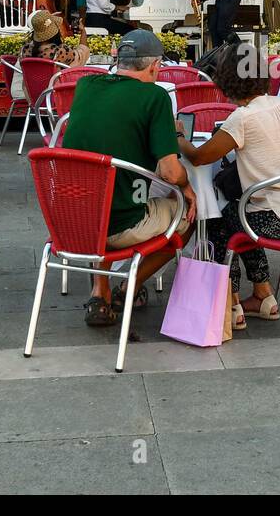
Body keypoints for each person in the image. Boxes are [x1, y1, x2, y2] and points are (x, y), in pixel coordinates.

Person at [182, 43, 280, 327]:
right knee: (243, 211)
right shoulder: (279, 103)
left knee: (219, 217)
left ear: (226, 78)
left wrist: (178, 138)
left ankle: (232, 302)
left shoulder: (242, 117)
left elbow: (201, 157)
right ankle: (262, 295)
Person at [62, 29, 195, 326]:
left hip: (72, 221)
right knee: (188, 217)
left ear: (118, 60)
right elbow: (170, 172)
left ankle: (100, 290)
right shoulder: (155, 96)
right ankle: (129, 287)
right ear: (154, 66)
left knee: (101, 195)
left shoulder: (85, 85)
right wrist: (187, 187)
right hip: (122, 225)